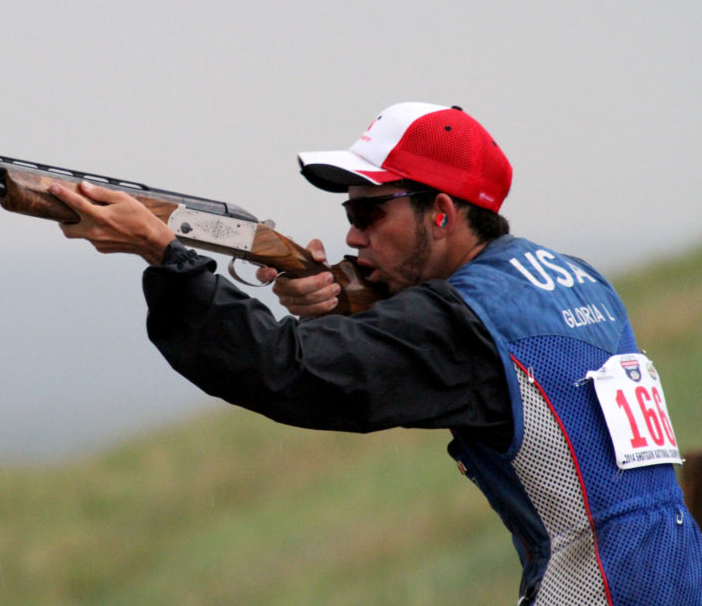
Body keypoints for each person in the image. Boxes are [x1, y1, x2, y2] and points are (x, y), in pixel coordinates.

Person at [48, 102, 702, 604]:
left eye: (370, 212)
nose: (352, 233)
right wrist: (345, 303)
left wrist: (165, 256)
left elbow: (284, 370)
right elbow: (464, 352)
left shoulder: (458, 322)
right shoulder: (576, 278)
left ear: (441, 211)